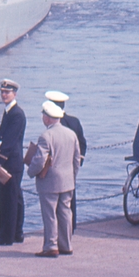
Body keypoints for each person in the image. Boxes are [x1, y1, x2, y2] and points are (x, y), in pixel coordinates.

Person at [25, 101, 81, 256]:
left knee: (50, 214)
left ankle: (51, 246)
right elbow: (76, 159)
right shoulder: (71, 134)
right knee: (65, 212)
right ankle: (66, 245)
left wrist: (30, 172)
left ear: (47, 118)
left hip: (50, 182)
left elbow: (39, 161)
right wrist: (73, 177)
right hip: (67, 181)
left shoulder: (46, 136)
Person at [0, 79, 26, 246]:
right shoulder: (9, 112)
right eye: (2, 92)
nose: (4, 95)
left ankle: (6, 237)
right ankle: (17, 233)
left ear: (14, 94)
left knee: (8, 200)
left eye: (7, 92)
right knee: (15, 197)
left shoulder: (16, 114)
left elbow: (8, 141)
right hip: (12, 160)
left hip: (11, 162)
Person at [45, 91, 87, 234]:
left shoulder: (54, 124)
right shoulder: (74, 121)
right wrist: (77, 162)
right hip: (69, 167)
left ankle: (60, 230)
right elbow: (82, 143)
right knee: (69, 200)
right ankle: (70, 227)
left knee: (56, 202)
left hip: (56, 168)